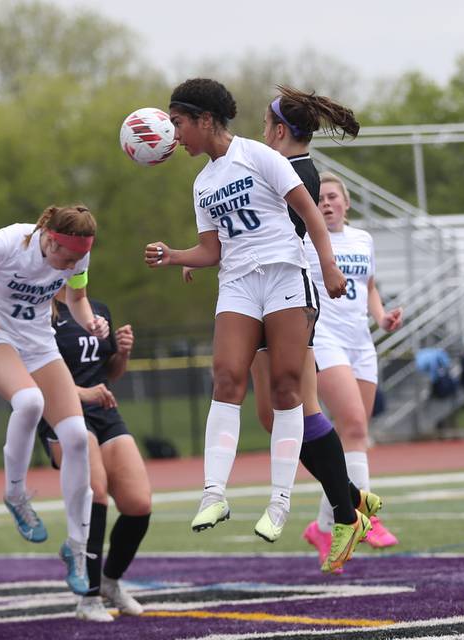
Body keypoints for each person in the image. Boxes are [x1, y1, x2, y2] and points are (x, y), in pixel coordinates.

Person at [144, 77, 349, 547]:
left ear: (205, 120)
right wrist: (174, 255)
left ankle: (279, 503)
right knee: (226, 377)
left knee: (284, 388)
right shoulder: (202, 182)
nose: (174, 135)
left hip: (282, 274)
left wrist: (328, 265)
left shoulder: (260, 156)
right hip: (237, 282)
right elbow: (211, 250)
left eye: (178, 124)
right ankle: (213, 492)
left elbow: (310, 213)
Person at [0, 205, 108, 596]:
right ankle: (15, 493)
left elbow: (77, 298)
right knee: (29, 402)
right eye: (65, 256)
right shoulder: (10, 242)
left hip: (39, 345)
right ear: (48, 237)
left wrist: (90, 323)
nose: (70, 263)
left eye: (77, 257)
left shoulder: (78, 255)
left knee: (77, 439)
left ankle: (77, 549)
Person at [250, 86, 382, 573]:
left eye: (265, 126)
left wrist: (327, 269)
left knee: (302, 414)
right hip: (266, 300)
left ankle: (347, 513)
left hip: (288, 304)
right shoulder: (275, 170)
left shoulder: (289, 173)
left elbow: (311, 233)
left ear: (279, 130)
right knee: (276, 417)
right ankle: (350, 500)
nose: (261, 134)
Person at [37, 287, 150, 622]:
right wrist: (84, 394)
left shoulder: (97, 308)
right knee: (95, 493)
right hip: (63, 412)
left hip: (104, 412)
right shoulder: (38, 313)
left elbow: (110, 373)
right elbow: (35, 379)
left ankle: (109, 582)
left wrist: (123, 353)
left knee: (138, 504)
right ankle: (87, 598)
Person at [304, 172, 404, 550]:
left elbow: (370, 287)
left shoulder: (363, 239)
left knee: (352, 437)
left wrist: (381, 318)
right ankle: (367, 517)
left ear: (346, 203)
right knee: (356, 426)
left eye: (332, 197)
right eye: (319, 199)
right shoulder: (307, 239)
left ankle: (321, 526)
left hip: (361, 341)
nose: (326, 203)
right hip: (325, 338)